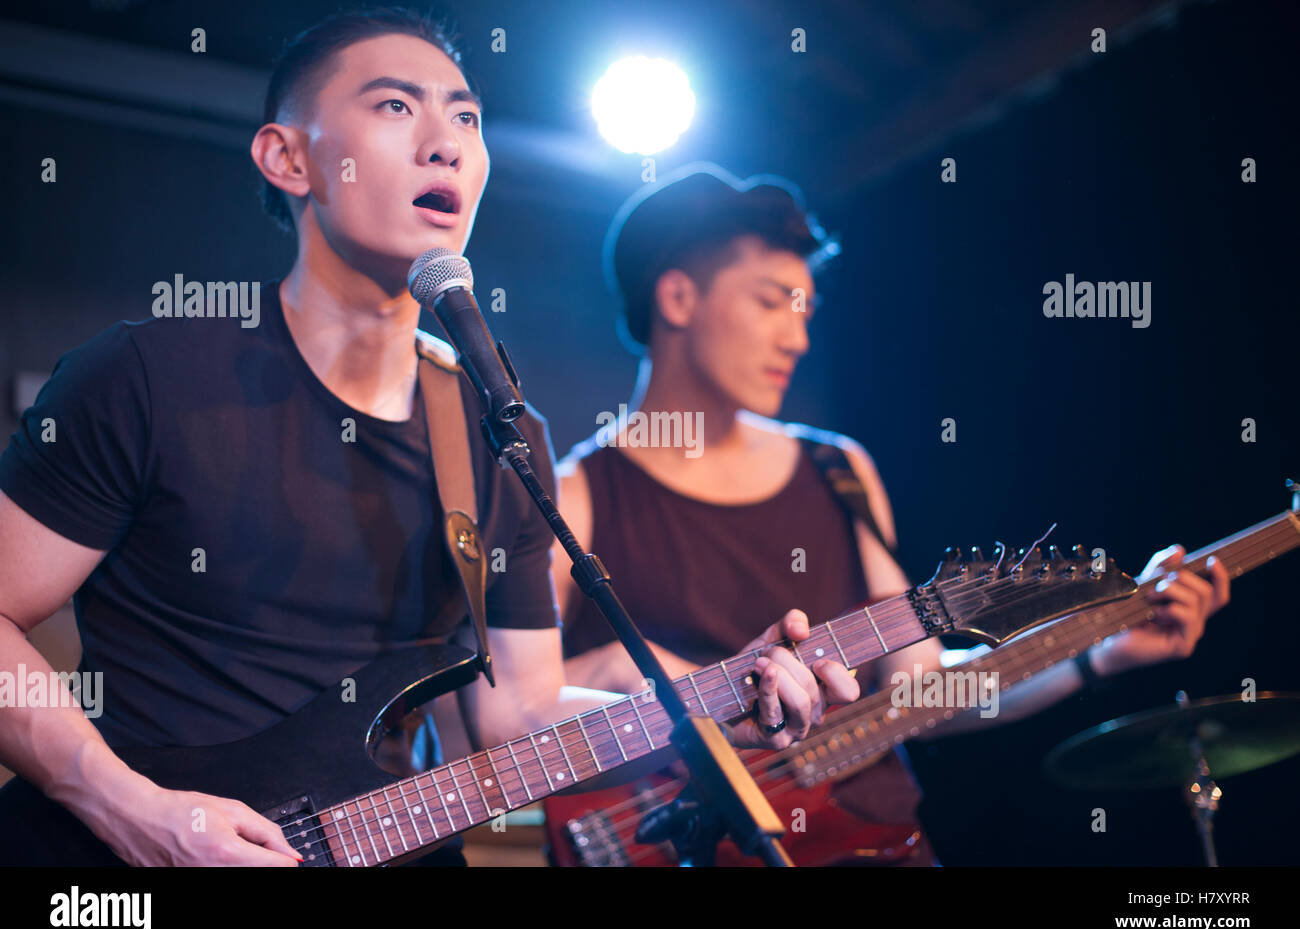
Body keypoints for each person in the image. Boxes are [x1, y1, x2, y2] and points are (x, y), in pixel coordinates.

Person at [0, 11, 855, 867]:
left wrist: (705, 711)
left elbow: (514, 713)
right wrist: (125, 807)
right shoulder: (147, 374)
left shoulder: (493, 434)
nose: (446, 143)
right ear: (288, 158)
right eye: (396, 107)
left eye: (468, 117)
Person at [554, 163, 1231, 865]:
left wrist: (1096, 654)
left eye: (805, 311)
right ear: (677, 296)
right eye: (768, 302)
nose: (797, 339)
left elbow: (921, 693)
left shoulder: (839, 471)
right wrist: (621, 677)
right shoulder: (575, 495)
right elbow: (504, 722)